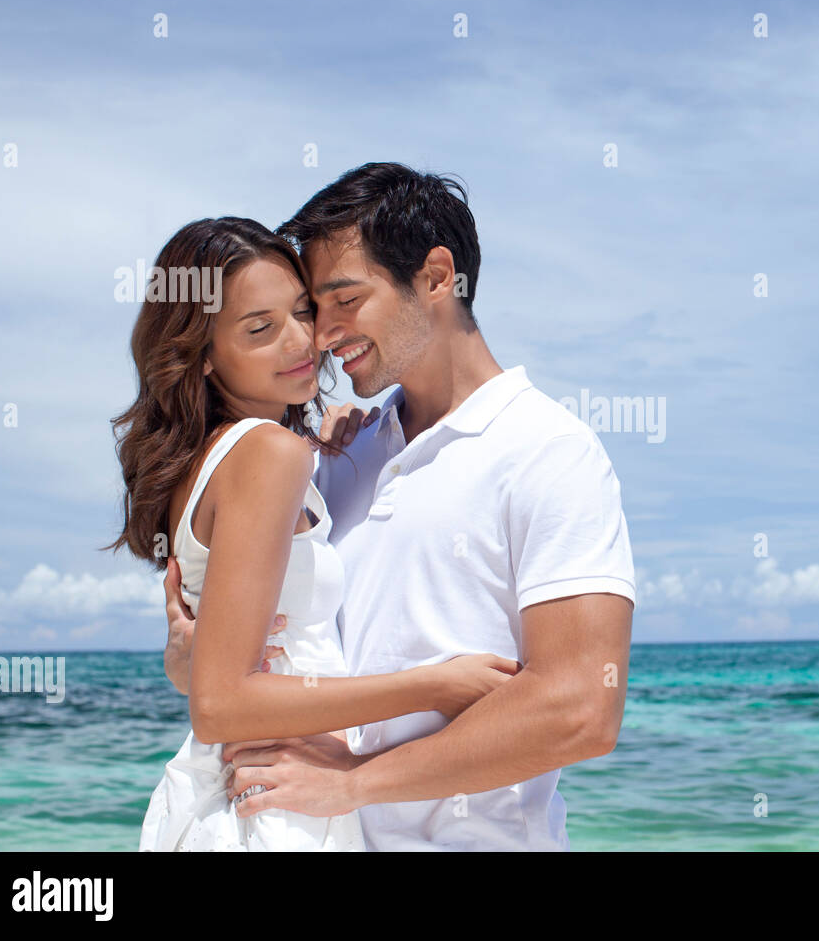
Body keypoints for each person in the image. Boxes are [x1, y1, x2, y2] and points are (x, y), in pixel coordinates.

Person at [163, 163, 637, 850]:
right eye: (312, 309)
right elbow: (294, 652)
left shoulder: (549, 450)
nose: (321, 335)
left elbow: (581, 708)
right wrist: (197, 663)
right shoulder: (338, 456)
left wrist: (355, 781)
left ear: (438, 277)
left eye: (344, 300)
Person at [108, 216, 517, 851]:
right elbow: (219, 703)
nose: (303, 340)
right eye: (259, 329)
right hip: (281, 798)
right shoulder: (269, 454)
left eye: (303, 311)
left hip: (238, 785)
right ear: (205, 354)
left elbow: (212, 676)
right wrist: (437, 684)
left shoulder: (221, 457)